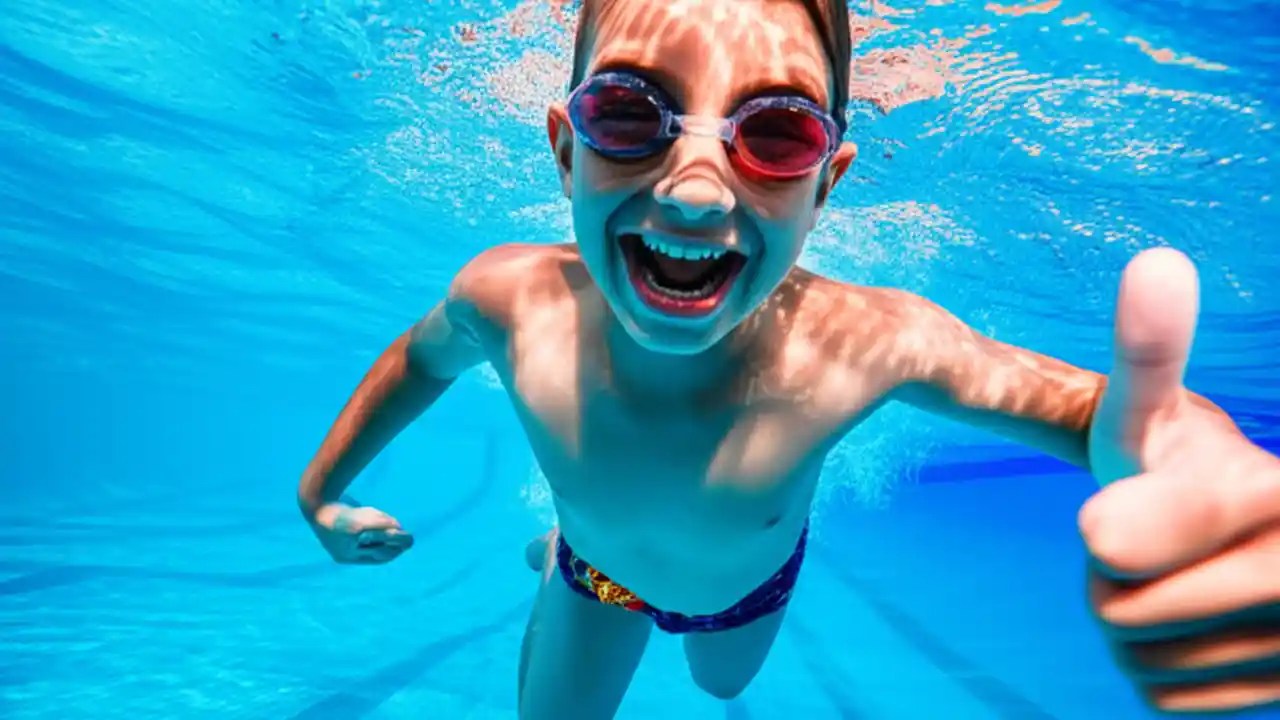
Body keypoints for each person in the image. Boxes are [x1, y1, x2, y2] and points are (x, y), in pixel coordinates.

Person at [296, 1, 1280, 717]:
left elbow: (1083, 412)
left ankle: (561, 553)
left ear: (826, 183)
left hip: (747, 596)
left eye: (773, 133)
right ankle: (555, 555)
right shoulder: (505, 298)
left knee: (720, 681)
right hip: (596, 580)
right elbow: (418, 361)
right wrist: (320, 495)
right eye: (628, 116)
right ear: (565, 150)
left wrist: (1202, 462)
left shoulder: (867, 341)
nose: (689, 194)